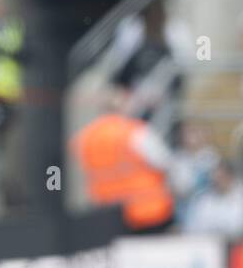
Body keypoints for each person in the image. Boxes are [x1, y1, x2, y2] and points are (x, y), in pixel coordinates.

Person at [70, 87, 174, 234]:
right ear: (124, 105)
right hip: (148, 213)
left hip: (107, 215)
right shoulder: (136, 132)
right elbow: (165, 163)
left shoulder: (85, 137)